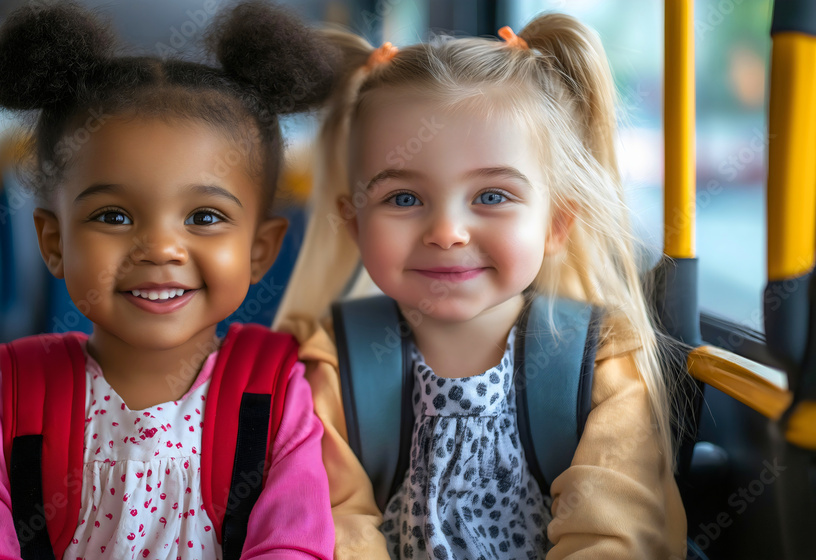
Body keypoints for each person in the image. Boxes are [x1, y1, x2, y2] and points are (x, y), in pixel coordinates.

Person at [0, 2, 337, 558]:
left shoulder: (276, 393)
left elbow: (293, 544)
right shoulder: (19, 398)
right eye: (114, 216)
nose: (162, 248)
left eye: (204, 217)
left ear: (259, 250)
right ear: (54, 242)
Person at [275, 14, 688, 560]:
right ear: (354, 225)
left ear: (555, 225)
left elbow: (614, 531)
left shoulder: (596, 360)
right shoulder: (334, 364)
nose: (447, 233)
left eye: (492, 196)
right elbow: (336, 526)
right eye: (403, 199)